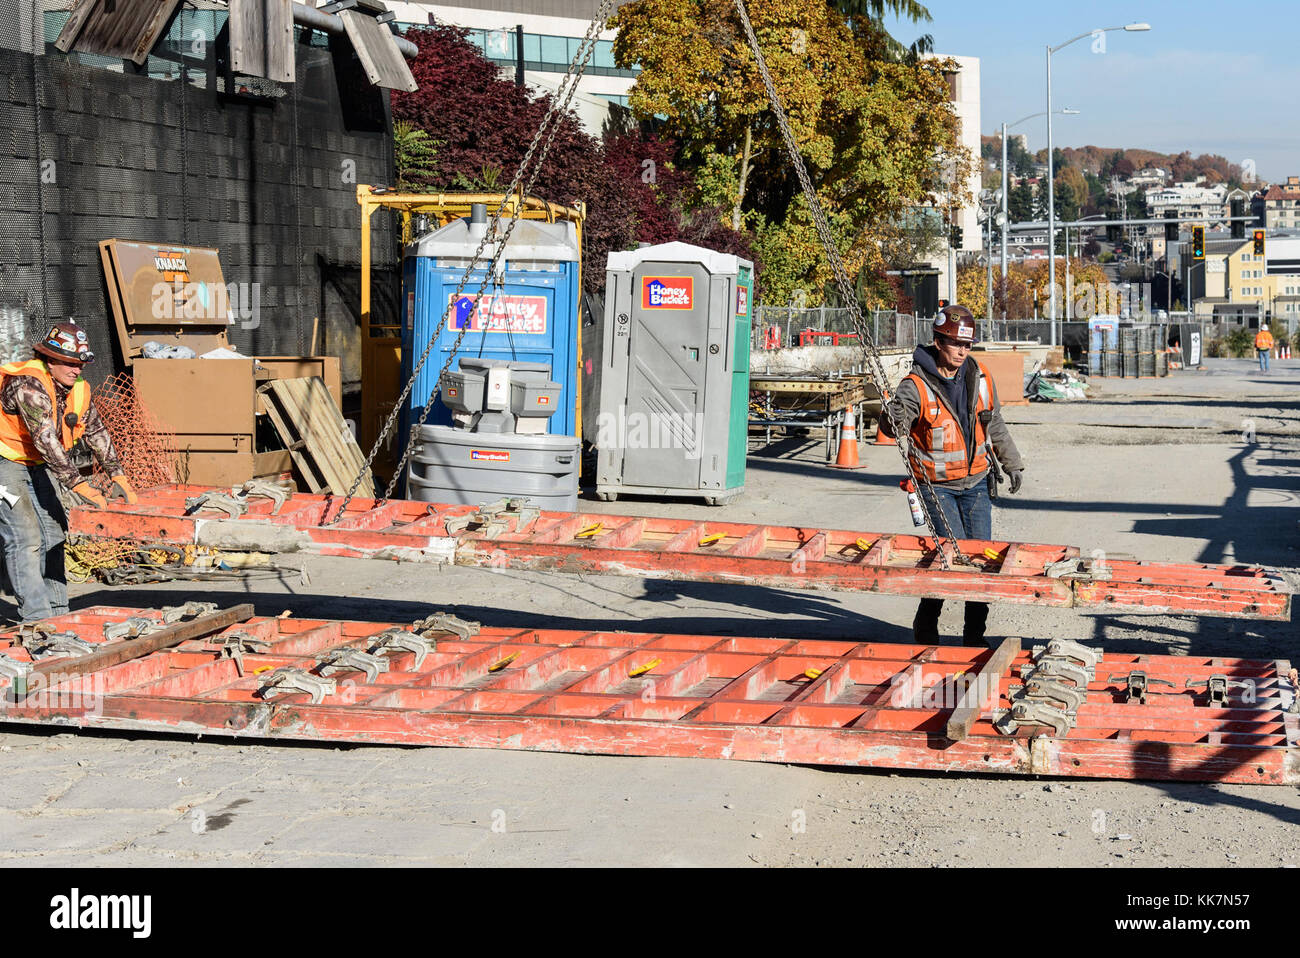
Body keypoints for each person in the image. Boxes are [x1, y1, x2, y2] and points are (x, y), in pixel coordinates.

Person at [879, 305, 1025, 647]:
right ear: (938, 341)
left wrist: (1012, 462)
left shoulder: (981, 376)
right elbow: (894, 427)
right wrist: (892, 417)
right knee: (951, 560)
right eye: (955, 344)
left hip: (975, 483)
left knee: (983, 563)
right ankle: (927, 622)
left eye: (968, 345)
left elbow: (995, 423)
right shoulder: (915, 386)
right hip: (936, 488)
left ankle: (974, 635)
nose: (962, 351)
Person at [0, 322, 138, 622]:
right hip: (4, 464)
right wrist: (81, 486)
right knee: (25, 537)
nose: (76, 370)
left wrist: (118, 475)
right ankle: (39, 620)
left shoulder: (77, 390)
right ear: (50, 359)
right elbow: (46, 439)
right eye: (69, 363)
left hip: (35, 463)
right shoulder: (28, 384)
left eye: (80, 364)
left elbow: (97, 430)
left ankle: (58, 614)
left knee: (54, 533)